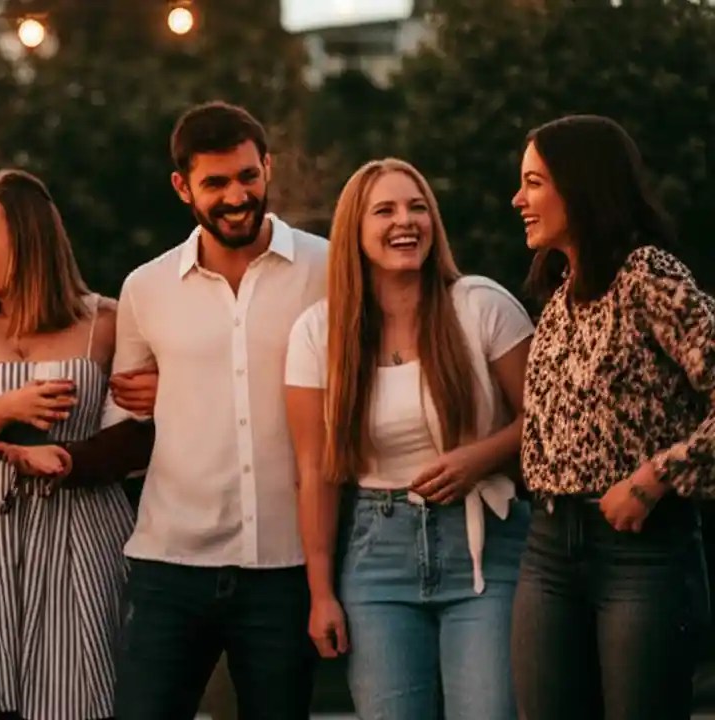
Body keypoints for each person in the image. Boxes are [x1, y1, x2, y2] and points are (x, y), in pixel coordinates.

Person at [284, 158, 532, 719]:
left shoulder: (480, 305)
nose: (407, 221)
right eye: (386, 210)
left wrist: (480, 457)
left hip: (486, 549)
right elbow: (315, 469)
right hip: (377, 555)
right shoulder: (318, 333)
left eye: (418, 207)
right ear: (356, 229)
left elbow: (548, 418)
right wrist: (321, 593)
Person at [109, 101, 327, 719]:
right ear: (183, 187)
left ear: (268, 169)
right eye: (216, 183)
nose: (237, 196)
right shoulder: (144, 288)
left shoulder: (329, 268)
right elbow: (131, 415)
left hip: (286, 565)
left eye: (248, 177)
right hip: (169, 567)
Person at [0, 169, 152, 720]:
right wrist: (3, 410)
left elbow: (140, 434)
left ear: (24, 234)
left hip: (83, 528)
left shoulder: (109, 319)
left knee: (79, 701)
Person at [509, 114, 714, 720]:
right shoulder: (562, 289)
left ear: (582, 184)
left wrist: (657, 477)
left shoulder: (648, 275)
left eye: (535, 182)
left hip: (641, 554)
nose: (518, 199)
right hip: (547, 546)